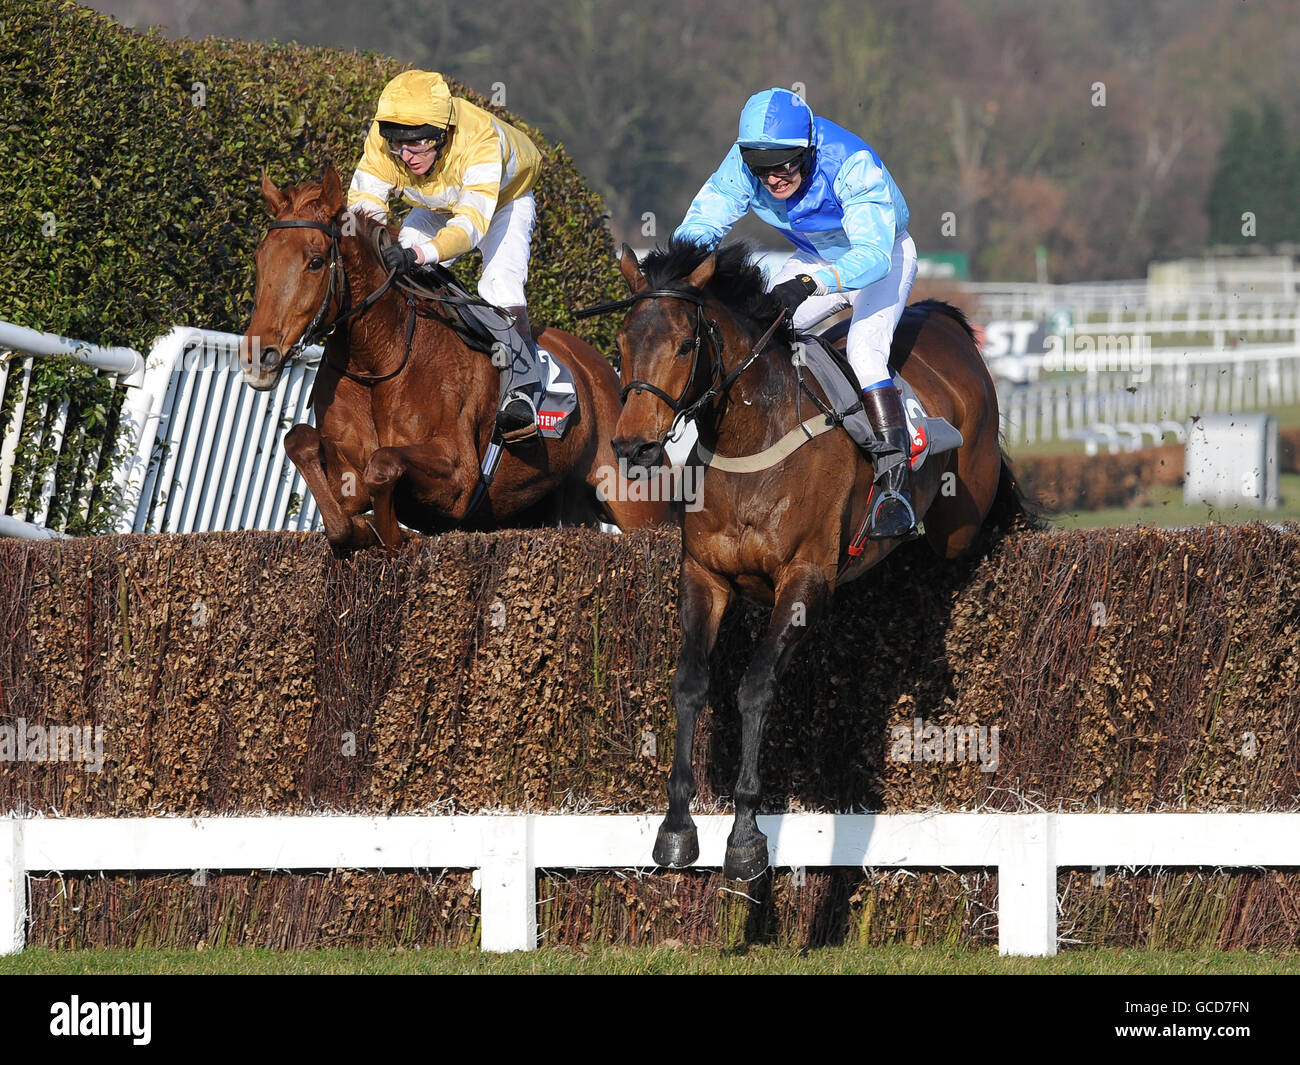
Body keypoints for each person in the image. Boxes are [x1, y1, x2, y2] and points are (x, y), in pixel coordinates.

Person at [675, 87, 919, 539]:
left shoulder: (850, 162)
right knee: (757, 336)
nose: (772, 178)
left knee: (865, 355)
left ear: (809, 149)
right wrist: (676, 267)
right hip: (815, 257)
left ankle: (894, 486)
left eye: (785, 164)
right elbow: (704, 222)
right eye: (761, 168)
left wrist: (810, 283)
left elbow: (872, 255)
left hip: (882, 257)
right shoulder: (745, 161)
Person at [347, 69, 545, 444]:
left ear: (442, 135)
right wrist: (374, 246)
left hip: (501, 200)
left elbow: (471, 226)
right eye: (397, 145)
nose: (405, 156)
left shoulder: (480, 139)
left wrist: (421, 253)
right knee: (401, 273)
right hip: (434, 199)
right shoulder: (385, 136)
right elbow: (365, 202)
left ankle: (523, 389)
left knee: (497, 283)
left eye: (417, 145)